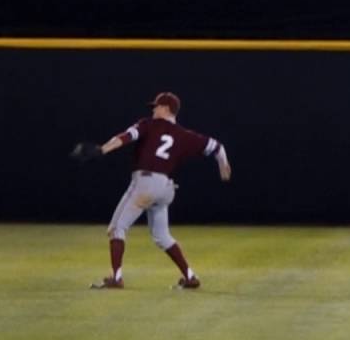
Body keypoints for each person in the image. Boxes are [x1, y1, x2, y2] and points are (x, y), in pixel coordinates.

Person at [70, 91, 231, 289]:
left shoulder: (149, 124)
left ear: (166, 108)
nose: (153, 109)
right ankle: (190, 277)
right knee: (162, 236)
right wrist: (223, 165)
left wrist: (102, 149)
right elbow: (217, 147)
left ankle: (116, 278)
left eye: (156, 106)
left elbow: (126, 137)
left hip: (145, 182)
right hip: (165, 188)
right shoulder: (184, 135)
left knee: (116, 228)